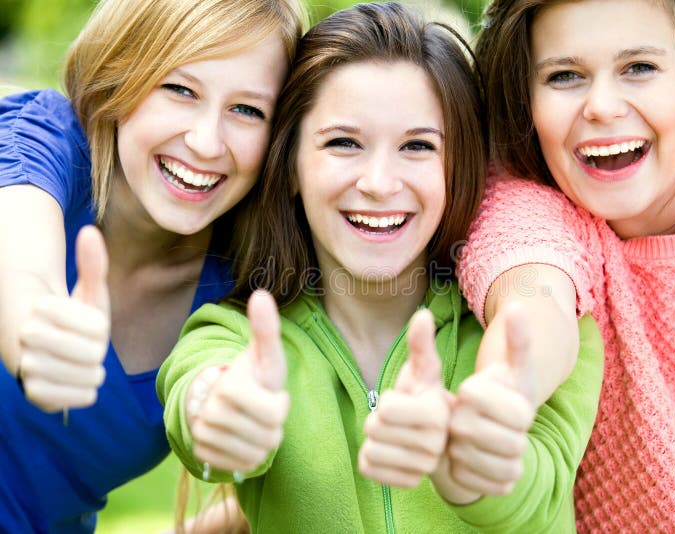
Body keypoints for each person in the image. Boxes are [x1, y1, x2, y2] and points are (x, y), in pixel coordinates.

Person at [157, 2, 605, 532]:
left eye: (417, 146)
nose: (378, 181)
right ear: (293, 165)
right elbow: (198, 400)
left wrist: (468, 455)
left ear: (457, 168)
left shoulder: (544, 328)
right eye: (344, 143)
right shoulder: (230, 337)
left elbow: (532, 491)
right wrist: (223, 410)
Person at [456, 0, 675, 530]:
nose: (602, 105)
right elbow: (534, 297)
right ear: (525, 102)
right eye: (564, 75)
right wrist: (505, 388)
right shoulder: (528, 208)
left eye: (639, 67)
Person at [0, 0, 304, 531]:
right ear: (121, 74)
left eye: (247, 111)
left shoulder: (242, 287)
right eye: (180, 90)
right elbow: (17, 263)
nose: (206, 142)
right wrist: (36, 333)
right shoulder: (44, 140)